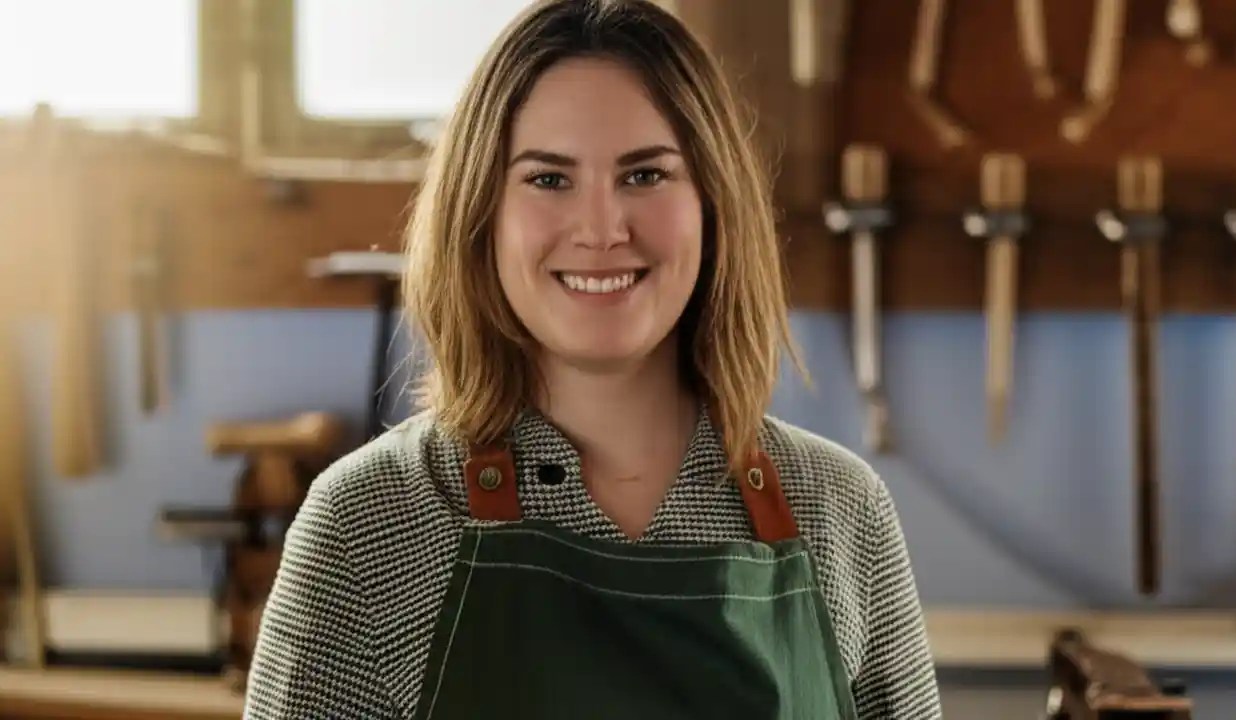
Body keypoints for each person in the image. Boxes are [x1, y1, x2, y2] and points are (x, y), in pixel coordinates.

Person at [243, 0, 942, 718]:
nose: (602, 229)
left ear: (712, 204)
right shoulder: (366, 523)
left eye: (645, 175)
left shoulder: (839, 508)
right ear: (481, 214)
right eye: (549, 179)